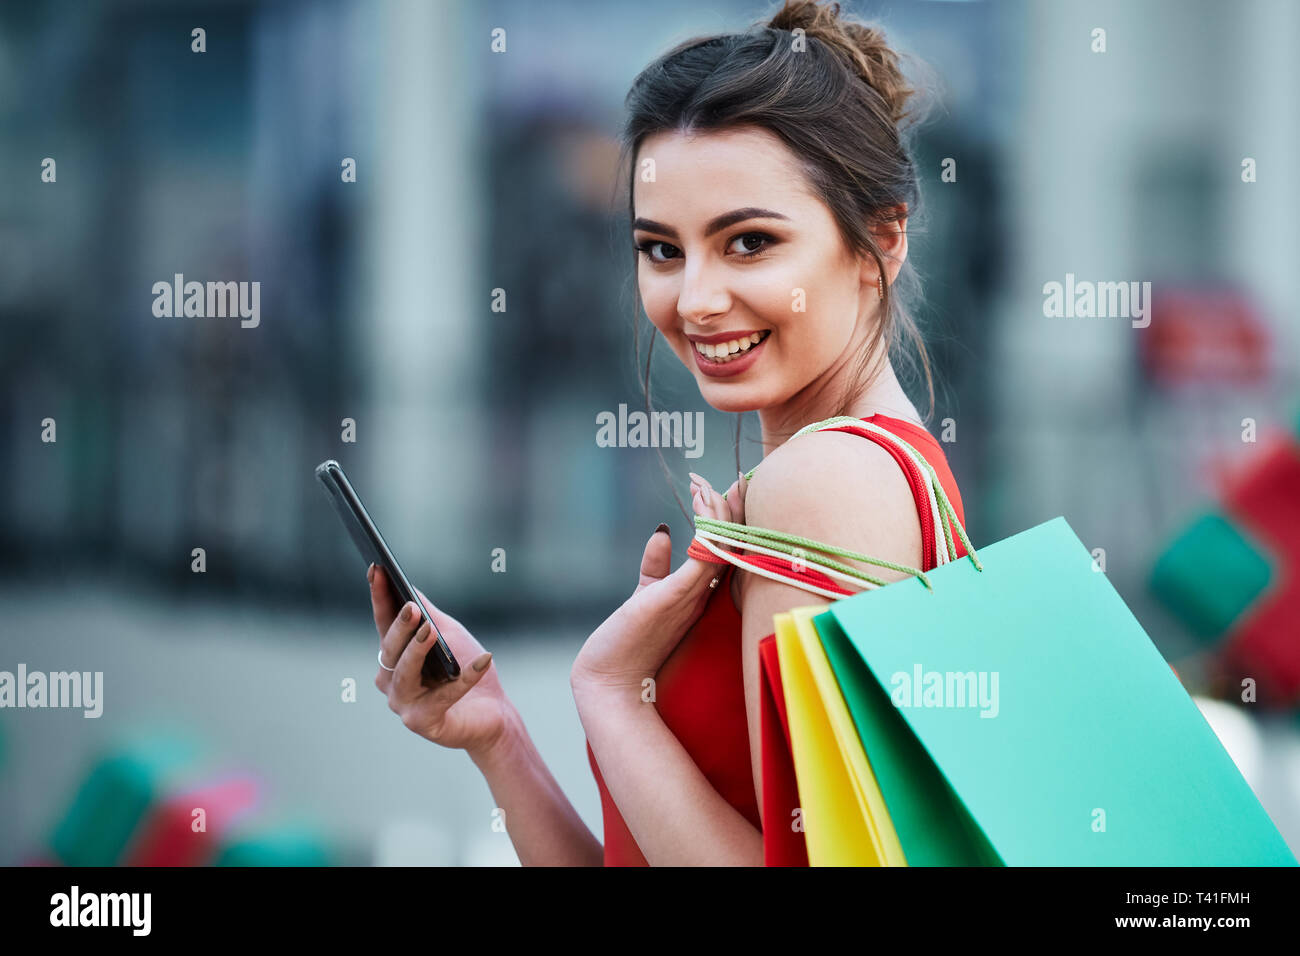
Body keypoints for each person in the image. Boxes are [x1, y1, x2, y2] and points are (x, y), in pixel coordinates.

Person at [369, 0, 967, 866]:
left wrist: (612, 695)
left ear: (881, 240)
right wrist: (498, 733)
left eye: (750, 242)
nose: (693, 301)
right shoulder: (890, 470)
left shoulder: (824, 484)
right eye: (662, 250)